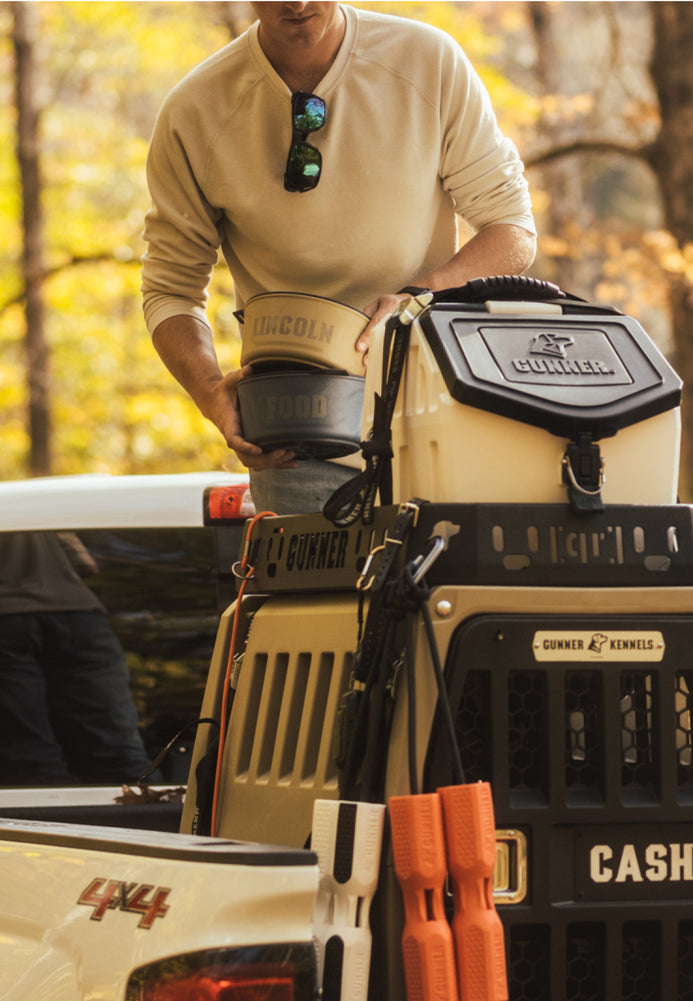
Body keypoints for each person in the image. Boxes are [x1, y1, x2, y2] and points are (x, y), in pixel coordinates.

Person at [141, 2, 537, 514]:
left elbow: (512, 229)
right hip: (295, 442)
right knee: (317, 599)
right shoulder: (194, 110)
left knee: (450, 596)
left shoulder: (427, 60)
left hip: (442, 420)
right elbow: (169, 289)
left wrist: (420, 299)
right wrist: (209, 391)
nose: (298, 2)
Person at [0, 532, 153, 786]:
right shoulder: (38, 494)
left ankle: (47, 822)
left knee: (27, 758)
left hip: (5, 618)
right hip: (79, 615)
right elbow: (87, 565)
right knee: (116, 754)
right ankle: (151, 816)